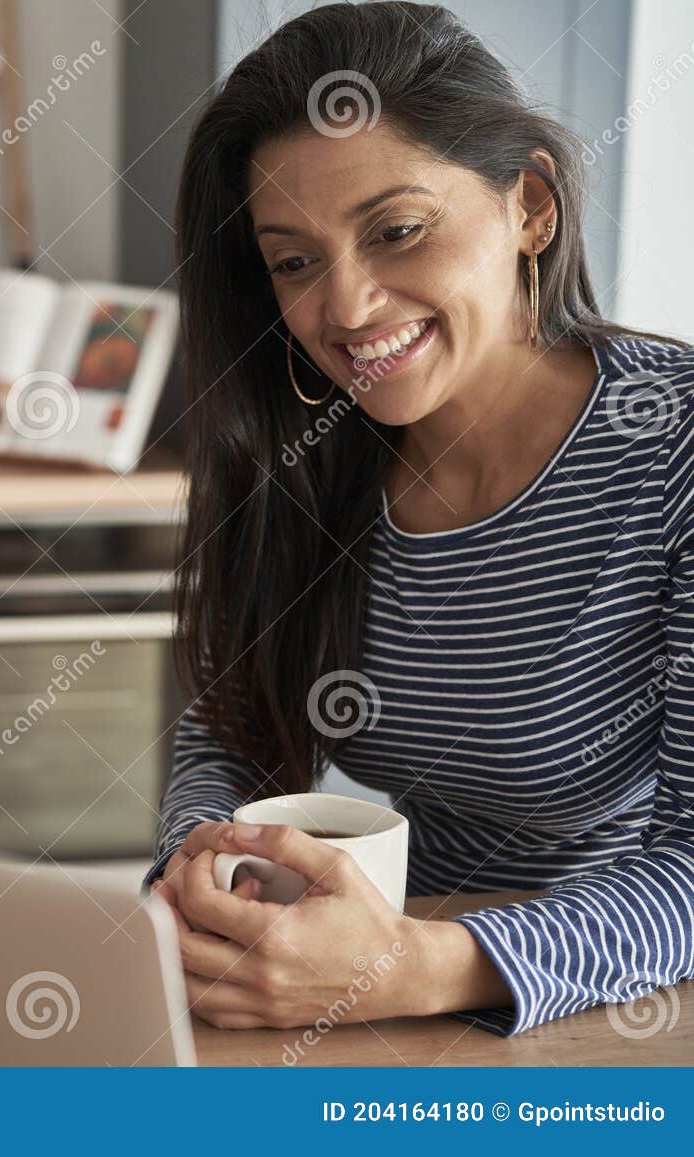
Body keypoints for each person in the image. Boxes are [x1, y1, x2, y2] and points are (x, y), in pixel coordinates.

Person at [148, 1, 694, 1036]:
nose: (345, 309)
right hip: (373, 995)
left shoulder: (672, 448)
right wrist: (199, 867)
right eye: (294, 260)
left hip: (614, 1010)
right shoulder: (313, 447)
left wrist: (422, 963)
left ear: (528, 205)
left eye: (395, 231)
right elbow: (235, 721)